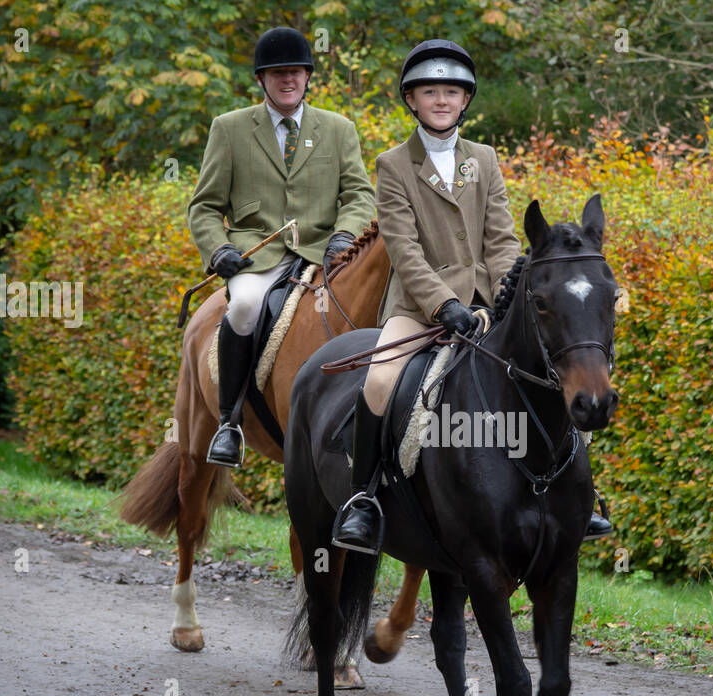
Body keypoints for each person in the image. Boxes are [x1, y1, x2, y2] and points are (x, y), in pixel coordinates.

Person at [331, 39, 612, 554]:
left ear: (466, 101)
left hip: (488, 307)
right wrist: (444, 306)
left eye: (452, 92)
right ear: (411, 100)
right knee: (380, 379)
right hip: (419, 310)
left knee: (556, 372)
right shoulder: (393, 164)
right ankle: (363, 499)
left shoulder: (483, 159)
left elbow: (503, 237)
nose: (441, 100)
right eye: (430, 91)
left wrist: (508, 295)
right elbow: (404, 248)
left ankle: (585, 498)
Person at [188, 26, 374, 467]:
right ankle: (230, 423)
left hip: (325, 252)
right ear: (261, 80)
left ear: (308, 76)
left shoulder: (338, 128)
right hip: (260, 253)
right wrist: (218, 251)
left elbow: (360, 195)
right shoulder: (229, 129)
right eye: (277, 74)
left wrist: (345, 234)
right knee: (245, 307)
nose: (287, 80)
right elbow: (205, 206)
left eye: (295, 72)